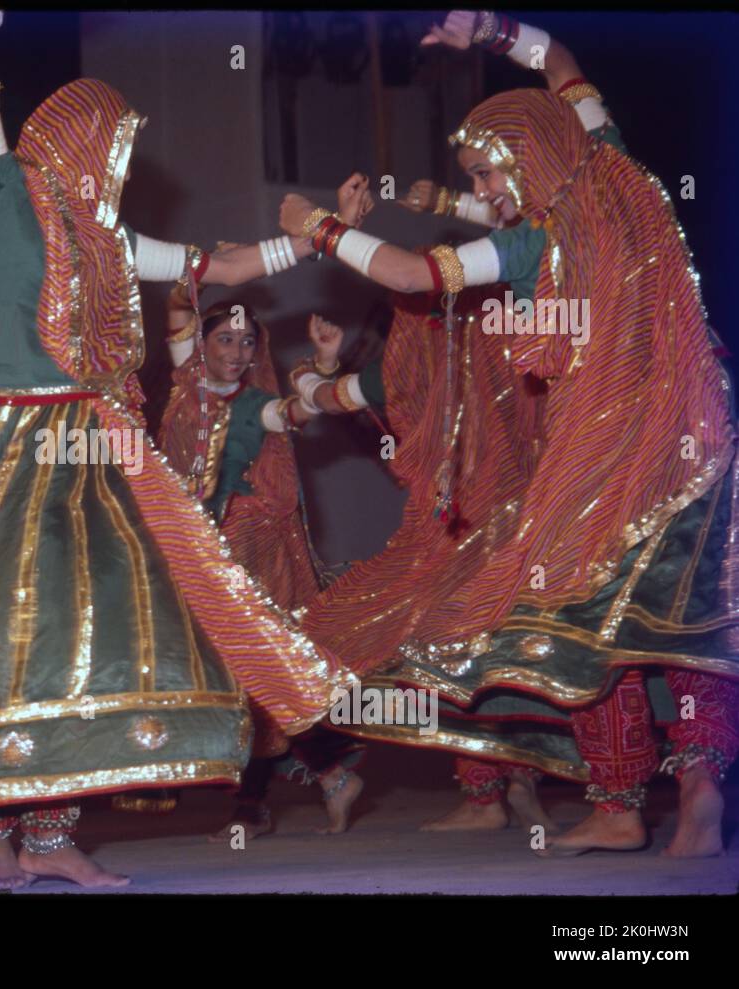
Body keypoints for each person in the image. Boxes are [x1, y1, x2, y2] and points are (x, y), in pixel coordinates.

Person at [0, 10, 356, 891]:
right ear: (79, 140)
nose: (118, 163)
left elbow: (215, 267)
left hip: (87, 445)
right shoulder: (4, 195)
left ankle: (49, 835)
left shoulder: (106, 237)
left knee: (94, 630)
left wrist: (313, 238)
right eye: (112, 144)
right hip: (4, 438)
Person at [280, 11, 738, 857]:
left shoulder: (536, 239)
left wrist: (319, 231)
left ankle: (618, 800)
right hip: (703, 430)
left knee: (575, 620)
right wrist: (492, 31)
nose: (488, 193)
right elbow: (562, 61)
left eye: (491, 175)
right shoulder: (615, 163)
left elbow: (415, 273)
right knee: (687, 612)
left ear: (528, 159)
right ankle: (702, 786)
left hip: (604, 452)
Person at [155, 291, 366, 839]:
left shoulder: (254, 407)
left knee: (247, 670)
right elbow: (178, 309)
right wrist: (197, 269)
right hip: (190, 549)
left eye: (248, 341)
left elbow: (300, 409)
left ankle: (263, 800)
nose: (238, 349)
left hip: (241, 544)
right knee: (225, 674)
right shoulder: (188, 386)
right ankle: (326, 773)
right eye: (225, 338)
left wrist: (323, 366)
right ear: (203, 345)